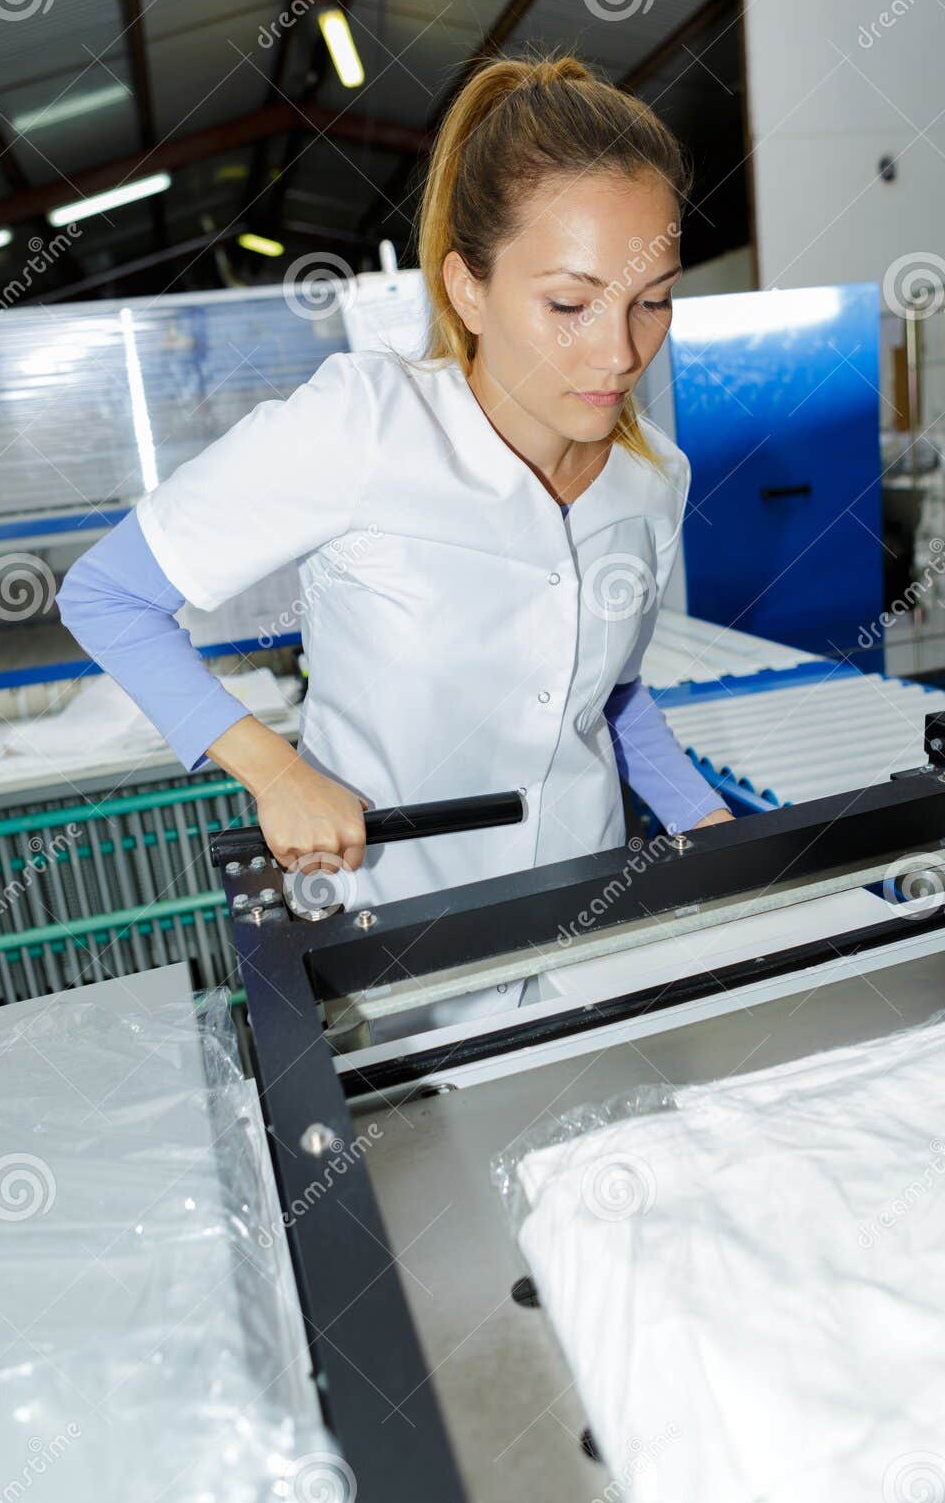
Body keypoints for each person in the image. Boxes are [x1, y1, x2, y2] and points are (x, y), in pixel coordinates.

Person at [57, 51, 732, 1041]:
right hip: (390, 952)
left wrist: (708, 830)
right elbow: (106, 593)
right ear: (466, 288)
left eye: (651, 299)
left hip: (585, 932)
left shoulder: (651, 479)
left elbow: (612, 696)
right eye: (567, 303)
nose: (619, 352)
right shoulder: (363, 427)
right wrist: (274, 771)